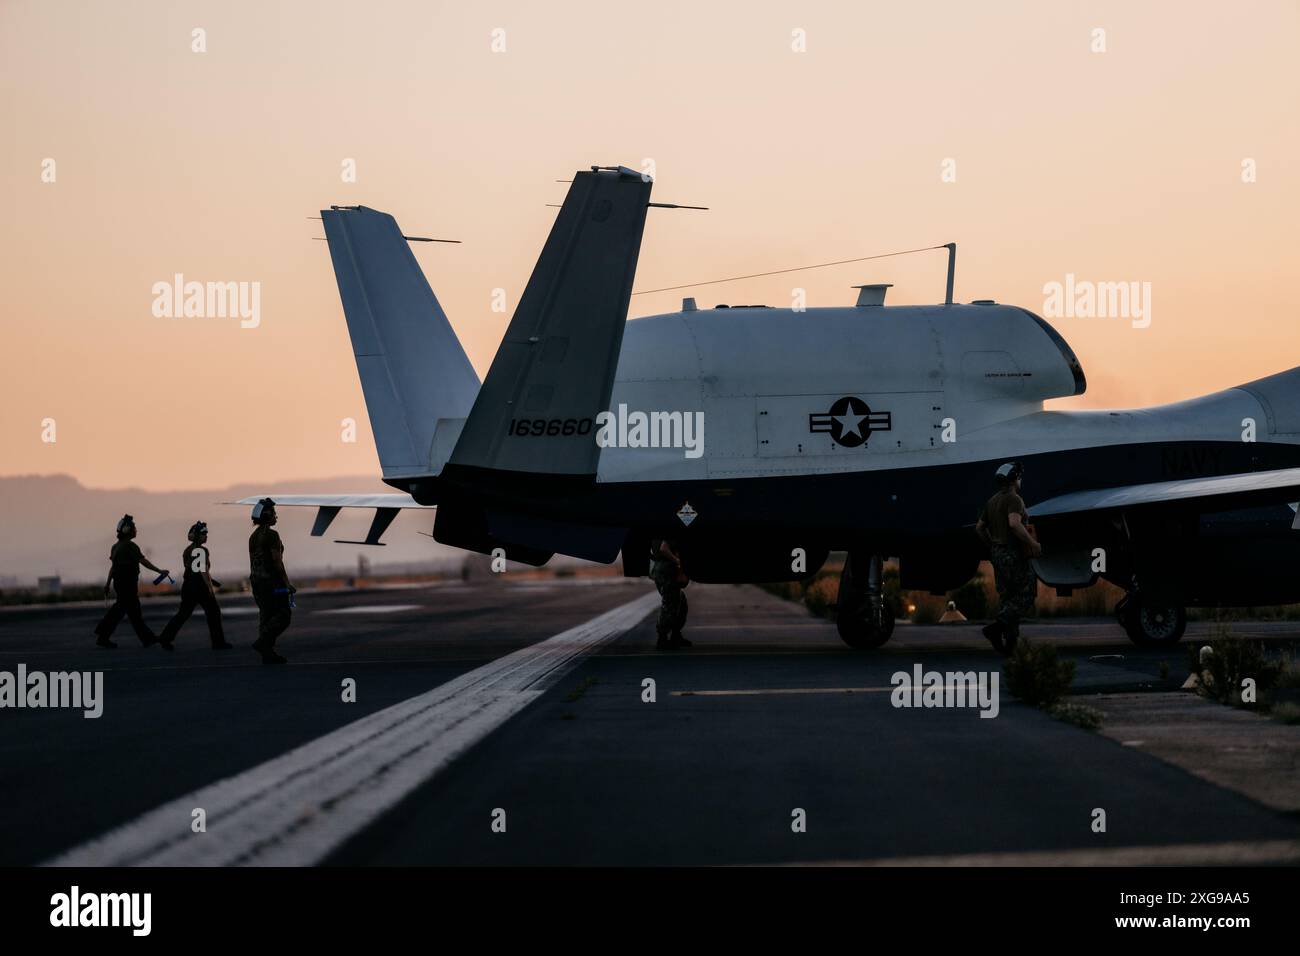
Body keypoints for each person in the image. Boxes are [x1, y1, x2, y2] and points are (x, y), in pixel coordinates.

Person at [975, 462, 1041, 655]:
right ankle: (996, 627)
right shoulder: (1014, 499)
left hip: (997, 554)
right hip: (1013, 554)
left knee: (1007, 597)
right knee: (1026, 595)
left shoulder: (992, 501)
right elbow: (1014, 523)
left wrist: (992, 545)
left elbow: (979, 528)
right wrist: (1033, 544)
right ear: (1014, 479)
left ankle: (1008, 644)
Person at [93, 514, 170, 649]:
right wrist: (159, 571)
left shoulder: (115, 546)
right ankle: (147, 639)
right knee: (132, 612)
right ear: (127, 530)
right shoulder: (130, 546)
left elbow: (113, 567)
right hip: (128, 584)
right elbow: (143, 561)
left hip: (119, 583)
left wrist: (107, 583)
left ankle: (103, 636)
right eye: (134, 528)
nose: (136, 530)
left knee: (123, 611)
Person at [158, 521, 231, 651]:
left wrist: (211, 581)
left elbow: (191, 568)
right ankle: (218, 642)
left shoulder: (187, 550)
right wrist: (209, 587)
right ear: (197, 535)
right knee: (214, 612)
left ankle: (165, 638)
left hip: (188, 586)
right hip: (200, 586)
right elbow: (203, 571)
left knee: (183, 614)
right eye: (203, 533)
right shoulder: (202, 551)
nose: (206, 536)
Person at [248, 498, 293, 664]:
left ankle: (268, 654)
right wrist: (287, 584)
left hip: (256, 582)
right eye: (274, 513)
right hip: (271, 583)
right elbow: (277, 562)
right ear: (267, 515)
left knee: (265, 616)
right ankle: (263, 643)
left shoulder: (253, 537)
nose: (276, 516)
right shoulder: (272, 535)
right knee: (284, 615)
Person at [649, 538, 691, 649]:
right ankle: (662, 638)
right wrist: (679, 562)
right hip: (668, 570)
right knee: (670, 604)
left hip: (662, 568)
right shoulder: (669, 529)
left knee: (680, 602)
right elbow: (664, 548)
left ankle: (675, 635)